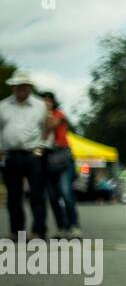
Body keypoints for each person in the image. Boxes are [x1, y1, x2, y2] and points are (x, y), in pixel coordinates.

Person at [1, 70, 50, 240]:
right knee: (13, 196)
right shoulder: (3, 106)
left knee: (37, 194)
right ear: (13, 86)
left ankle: (38, 231)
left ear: (29, 87)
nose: (21, 88)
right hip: (11, 155)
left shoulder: (40, 105)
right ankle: (17, 232)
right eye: (18, 85)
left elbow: (47, 128)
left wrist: (42, 148)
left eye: (24, 85)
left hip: (33, 154)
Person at [41, 91, 78, 237]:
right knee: (52, 196)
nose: (46, 103)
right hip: (47, 158)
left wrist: (45, 113)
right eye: (43, 101)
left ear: (53, 102)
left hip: (63, 157)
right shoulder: (38, 117)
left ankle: (74, 226)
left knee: (66, 192)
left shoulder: (59, 114)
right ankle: (61, 227)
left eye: (49, 100)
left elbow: (51, 125)